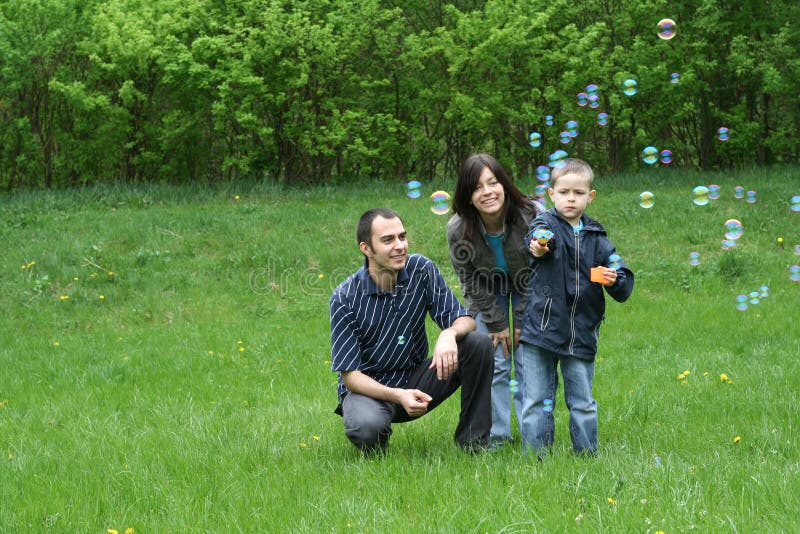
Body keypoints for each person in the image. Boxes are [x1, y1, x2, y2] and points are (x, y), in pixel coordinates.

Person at [330, 208, 494, 454]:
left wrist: (448, 334)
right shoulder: (345, 298)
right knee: (367, 427)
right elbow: (350, 376)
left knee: (477, 343)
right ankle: (376, 446)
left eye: (402, 237)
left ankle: (474, 444)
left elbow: (464, 320)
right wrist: (398, 395)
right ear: (366, 248)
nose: (400, 246)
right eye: (388, 240)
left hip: (417, 379)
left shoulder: (421, 269)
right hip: (369, 390)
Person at [519, 158, 634, 456]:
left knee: (582, 401)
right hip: (541, 330)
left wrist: (615, 278)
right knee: (535, 400)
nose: (571, 198)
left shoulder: (598, 238)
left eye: (578, 193)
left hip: (581, 331)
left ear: (590, 196)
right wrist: (539, 246)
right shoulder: (545, 225)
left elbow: (622, 276)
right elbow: (537, 242)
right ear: (551, 194)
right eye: (564, 192)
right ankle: (536, 459)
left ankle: (586, 455)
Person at [446, 153, 546, 448]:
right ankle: (498, 437)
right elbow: (469, 279)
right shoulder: (458, 228)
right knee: (495, 359)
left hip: (531, 284)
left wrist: (522, 321)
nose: (487, 192)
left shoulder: (533, 214)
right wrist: (497, 322)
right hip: (486, 289)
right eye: (477, 187)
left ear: (504, 184)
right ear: (467, 195)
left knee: (527, 358)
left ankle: (532, 435)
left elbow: (542, 270)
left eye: (493, 183)